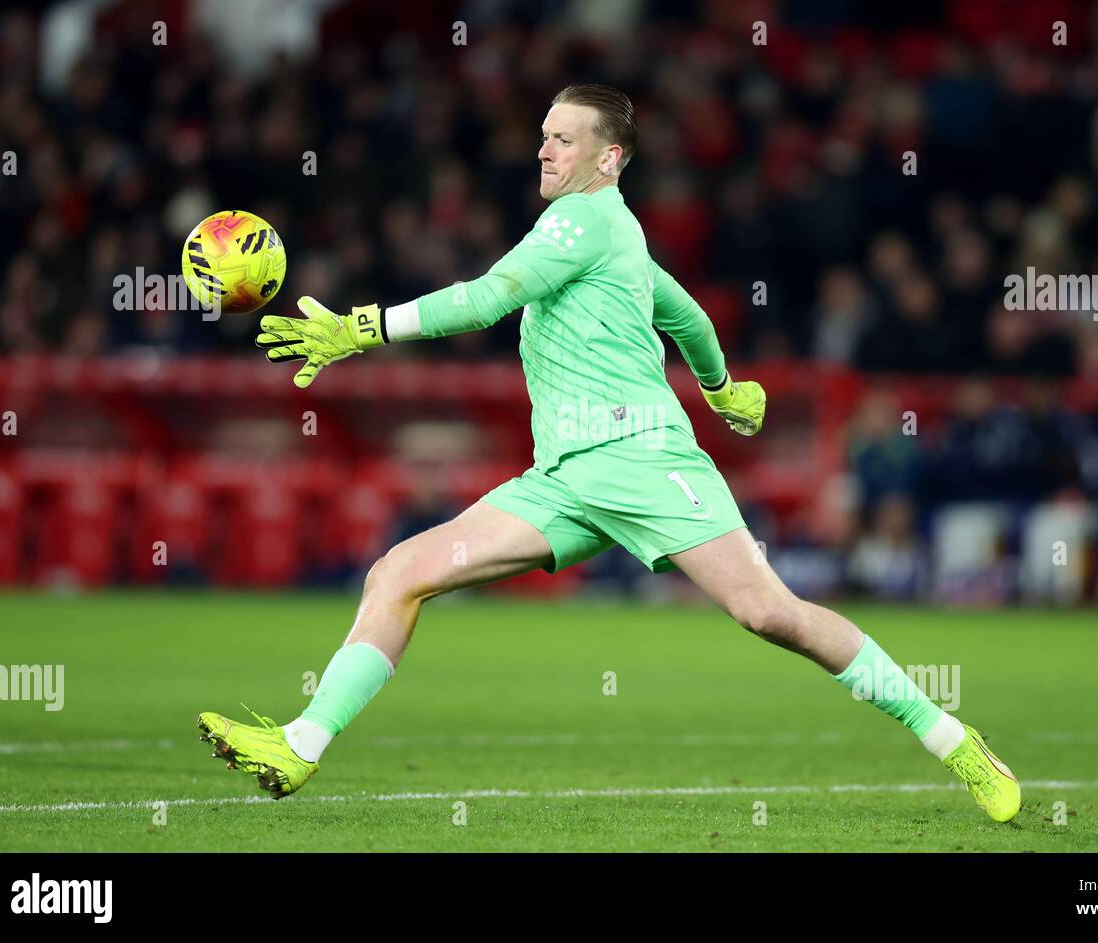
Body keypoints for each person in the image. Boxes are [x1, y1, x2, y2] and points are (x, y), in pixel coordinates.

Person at [198, 84, 1019, 823]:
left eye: (563, 138)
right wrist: (724, 386)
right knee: (399, 572)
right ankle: (300, 743)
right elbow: (687, 312)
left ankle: (953, 737)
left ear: (609, 156)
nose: (545, 149)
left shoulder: (583, 220)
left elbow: (487, 297)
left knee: (772, 615)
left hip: (643, 458)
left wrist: (362, 326)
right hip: (564, 480)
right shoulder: (615, 236)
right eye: (544, 136)